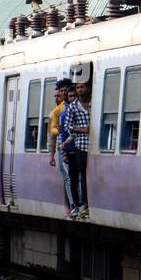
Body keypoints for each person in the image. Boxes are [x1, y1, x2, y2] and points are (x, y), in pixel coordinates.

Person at [61, 79, 91, 220]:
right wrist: (83, 130)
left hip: (94, 144)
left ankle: (86, 203)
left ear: (88, 87)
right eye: (78, 87)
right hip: (81, 144)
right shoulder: (73, 107)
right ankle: (83, 203)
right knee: (83, 175)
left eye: (82, 87)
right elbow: (68, 126)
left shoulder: (93, 104)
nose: (80, 90)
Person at [47, 79, 76, 217]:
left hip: (68, 147)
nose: (60, 96)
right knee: (67, 177)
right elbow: (53, 132)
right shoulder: (57, 111)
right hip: (62, 146)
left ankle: (73, 205)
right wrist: (51, 154)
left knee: (69, 177)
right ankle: (72, 205)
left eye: (63, 92)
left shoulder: (70, 108)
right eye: (59, 94)